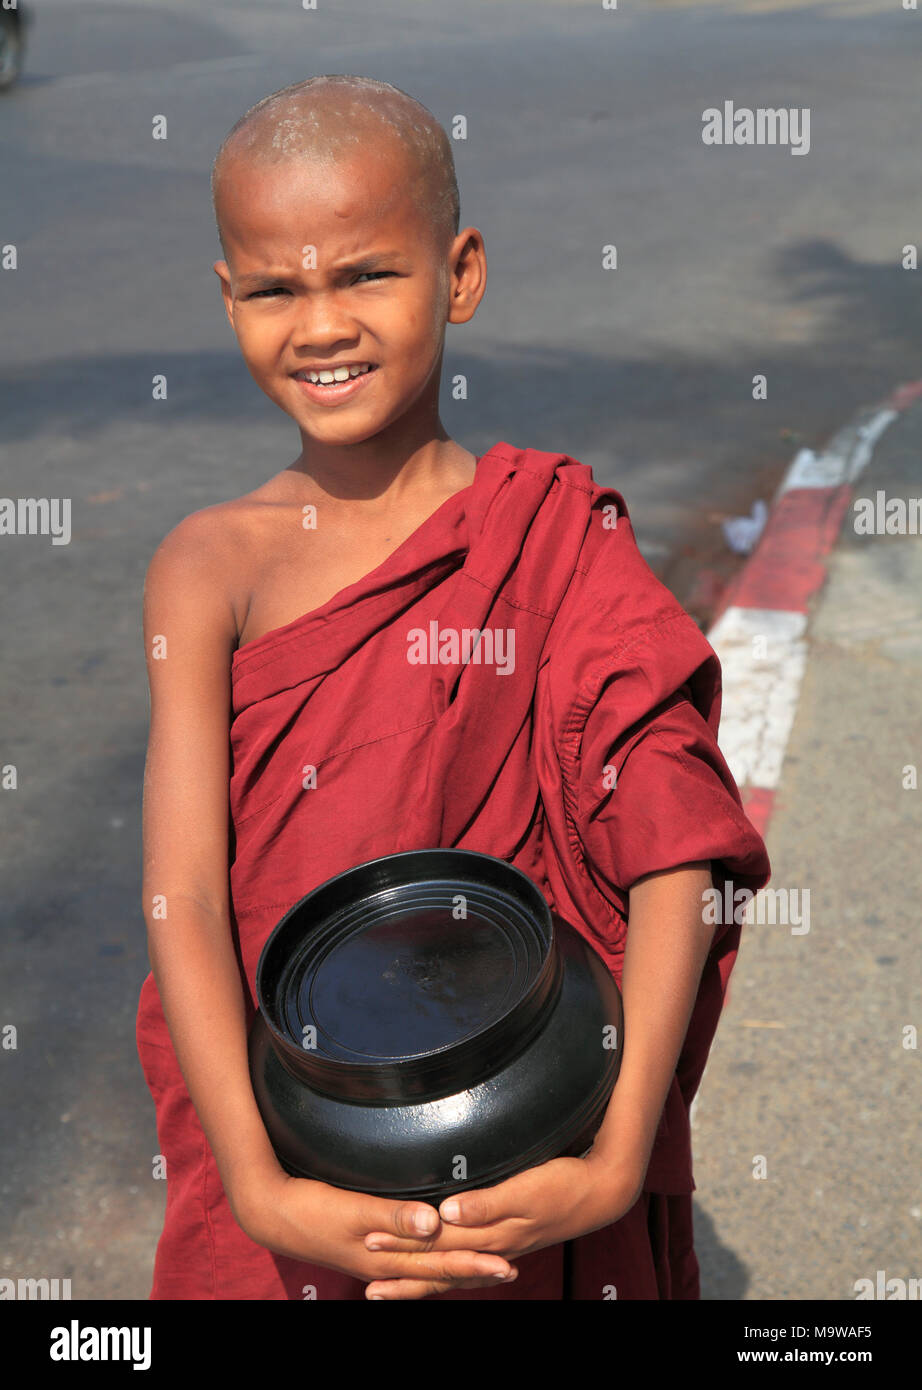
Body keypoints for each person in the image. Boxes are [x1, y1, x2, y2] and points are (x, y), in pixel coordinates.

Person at [136, 74, 770, 1301]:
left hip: (536, 1125)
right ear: (230, 301)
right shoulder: (208, 567)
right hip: (298, 1121)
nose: (319, 324)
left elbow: (670, 844)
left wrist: (617, 1159)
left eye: (364, 273)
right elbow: (182, 896)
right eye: (275, 287)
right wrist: (264, 1187)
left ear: (459, 273)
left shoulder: (552, 537)